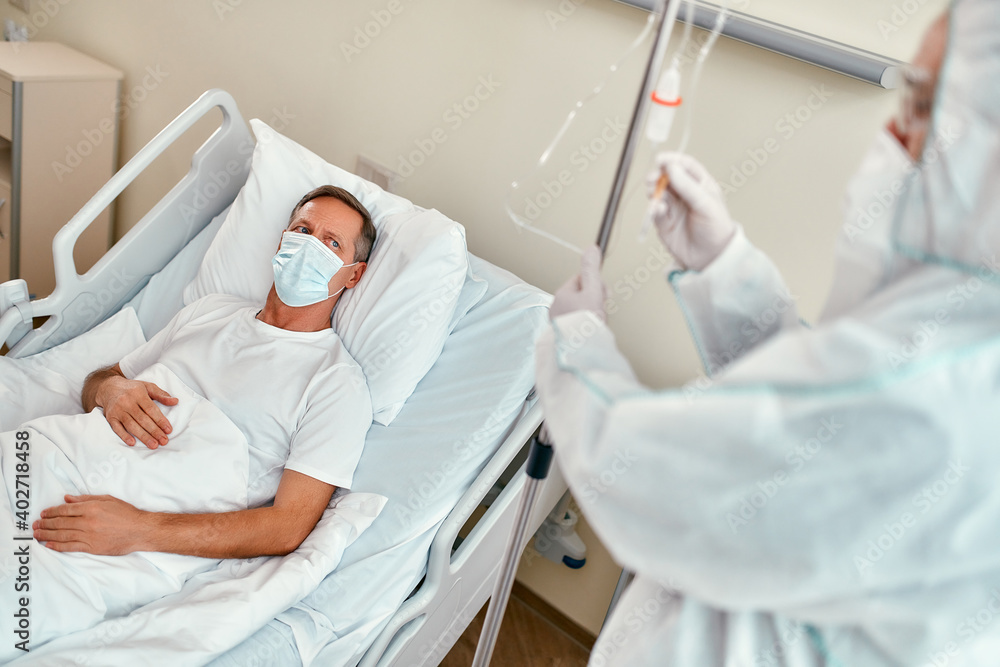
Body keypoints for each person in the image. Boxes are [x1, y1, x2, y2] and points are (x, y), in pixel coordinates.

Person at [536, 1, 1000, 665]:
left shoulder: (940, 383)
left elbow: (646, 477)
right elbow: (815, 402)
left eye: (922, 103)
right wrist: (725, 268)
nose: (893, 134)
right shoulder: (957, 326)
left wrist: (576, 347)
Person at [32, 185, 375, 559]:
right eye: (304, 231)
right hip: (51, 455)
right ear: (282, 242)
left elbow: (287, 527)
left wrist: (138, 530)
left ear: (354, 276)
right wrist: (110, 389)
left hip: (126, 530)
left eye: (332, 244)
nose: (311, 247)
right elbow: (100, 380)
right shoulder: (210, 311)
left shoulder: (336, 384)